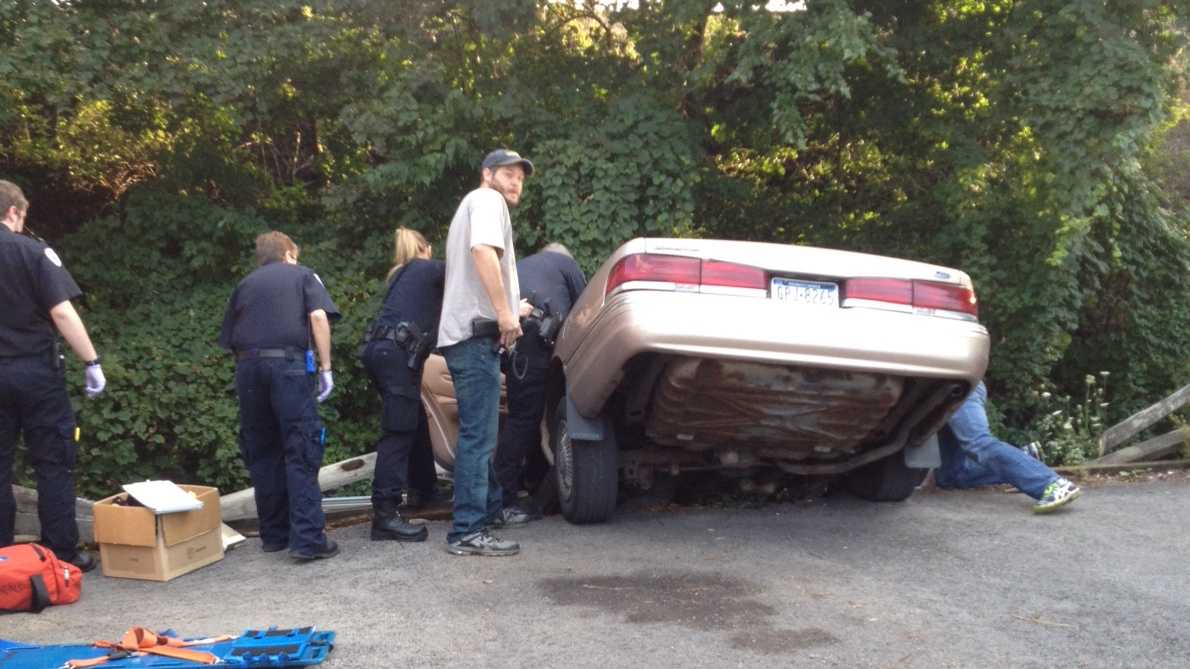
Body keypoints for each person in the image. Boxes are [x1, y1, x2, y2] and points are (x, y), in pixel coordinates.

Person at [0, 180, 106, 572]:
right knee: (53, 462)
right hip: (36, 372)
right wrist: (91, 361)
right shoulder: (33, 252)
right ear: (14, 212)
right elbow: (62, 312)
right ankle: (61, 553)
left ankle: (2, 559)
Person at [219, 231, 341, 560]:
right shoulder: (303, 275)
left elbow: (231, 338)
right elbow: (317, 316)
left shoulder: (244, 285)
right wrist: (326, 367)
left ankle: (275, 535)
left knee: (263, 452)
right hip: (287, 367)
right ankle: (308, 541)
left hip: (248, 370)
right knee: (300, 449)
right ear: (288, 253)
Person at [437, 148, 533, 557]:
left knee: (481, 433)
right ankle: (467, 532)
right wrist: (505, 313)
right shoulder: (487, 200)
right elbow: (482, 253)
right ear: (487, 174)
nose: (515, 183)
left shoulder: (474, 205)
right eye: (508, 174)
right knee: (479, 437)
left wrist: (513, 306)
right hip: (475, 336)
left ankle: (489, 511)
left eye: (520, 178)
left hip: (471, 335)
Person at [360, 227, 445, 542]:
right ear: (428, 248)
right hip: (396, 356)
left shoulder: (401, 275)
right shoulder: (431, 269)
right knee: (398, 431)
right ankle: (384, 514)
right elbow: (469, 278)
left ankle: (424, 491)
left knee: (414, 420)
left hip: (380, 351)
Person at [493, 243, 586, 523]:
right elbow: (587, 311)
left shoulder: (521, 267)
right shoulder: (566, 264)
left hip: (513, 344)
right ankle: (502, 501)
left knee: (524, 418)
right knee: (525, 420)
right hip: (536, 341)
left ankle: (528, 482)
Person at [935, 381, 1082, 513]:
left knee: (979, 443)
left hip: (957, 386)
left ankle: (1051, 484)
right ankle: (1026, 459)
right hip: (935, 393)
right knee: (950, 476)